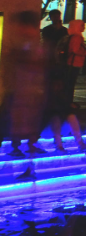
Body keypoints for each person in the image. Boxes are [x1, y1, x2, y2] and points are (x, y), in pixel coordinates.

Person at [2, 11, 48, 159]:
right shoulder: (26, 43)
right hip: (21, 89)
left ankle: (25, 148)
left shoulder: (29, 44)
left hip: (26, 90)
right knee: (18, 120)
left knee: (23, 120)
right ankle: (22, 147)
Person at [46, 77, 86, 152]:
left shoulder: (62, 96)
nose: (58, 87)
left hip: (61, 123)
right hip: (48, 125)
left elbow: (68, 108)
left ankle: (80, 143)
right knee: (56, 118)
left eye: (60, 85)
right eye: (56, 85)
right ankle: (59, 146)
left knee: (71, 116)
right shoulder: (47, 97)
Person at [64, 20, 86, 105]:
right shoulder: (77, 38)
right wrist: (85, 52)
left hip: (72, 63)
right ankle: (68, 102)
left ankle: (68, 101)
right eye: (82, 25)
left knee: (69, 84)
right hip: (73, 63)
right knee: (70, 84)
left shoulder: (73, 36)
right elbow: (75, 50)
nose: (84, 27)